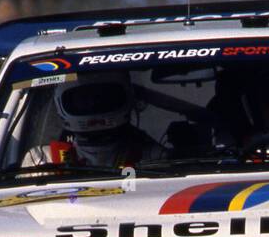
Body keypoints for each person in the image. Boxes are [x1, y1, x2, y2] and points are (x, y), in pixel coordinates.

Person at [26, 71, 165, 168]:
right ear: (61, 101)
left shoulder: (153, 158)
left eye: (102, 98)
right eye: (83, 99)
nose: (92, 104)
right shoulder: (43, 160)